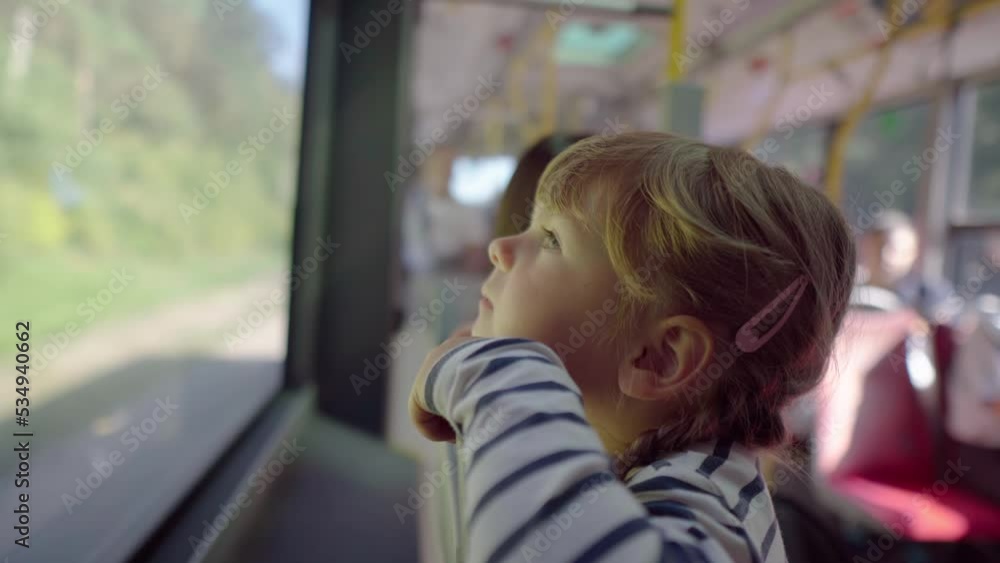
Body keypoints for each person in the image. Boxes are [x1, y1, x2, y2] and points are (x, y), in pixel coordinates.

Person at [409, 132, 856, 562]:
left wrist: (496, 376)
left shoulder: (711, 503)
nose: (498, 248)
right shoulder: (673, 473)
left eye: (551, 239)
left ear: (658, 358)